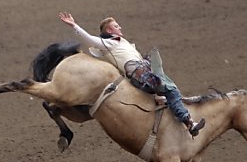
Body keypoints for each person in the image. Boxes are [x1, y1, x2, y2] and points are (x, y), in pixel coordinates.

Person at [57, 13, 206, 137]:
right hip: (138, 74)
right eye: (116, 26)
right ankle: (189, 122)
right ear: (109, 30)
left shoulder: (121, 42)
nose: (120, 27)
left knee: (167, 89)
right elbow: (89, 38)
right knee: (170, 90)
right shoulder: (108, 43)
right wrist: (73, 25)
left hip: (142, 71)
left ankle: (165, 100)